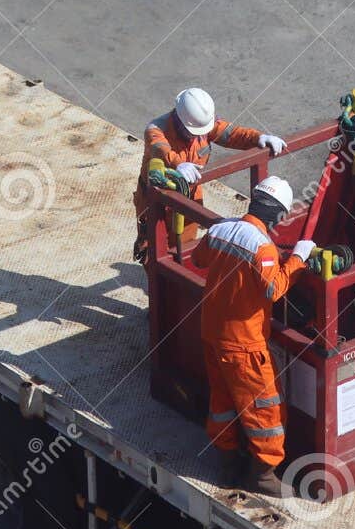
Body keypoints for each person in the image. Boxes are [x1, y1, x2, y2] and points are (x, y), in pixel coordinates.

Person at [191, 175, 313, 496]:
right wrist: (299, 259)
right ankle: (261, 474)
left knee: (223, 401)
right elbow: (274, 289)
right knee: (266, 408)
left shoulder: (219, 230)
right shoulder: (263, 247)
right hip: (244, 344)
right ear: (277, 215)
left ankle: (228, 466)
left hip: (212, 334)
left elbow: (197, 258)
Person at [134, 88, 284, 249]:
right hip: (155, 198)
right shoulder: (156, 129)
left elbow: (231, 133)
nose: (197, 136)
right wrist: (178, 165)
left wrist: (258, 138)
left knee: (184, 247)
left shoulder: (204, 125)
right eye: (193, 132)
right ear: (179, 118)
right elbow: (159, 148)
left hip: (188, 195)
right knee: (151, 245)